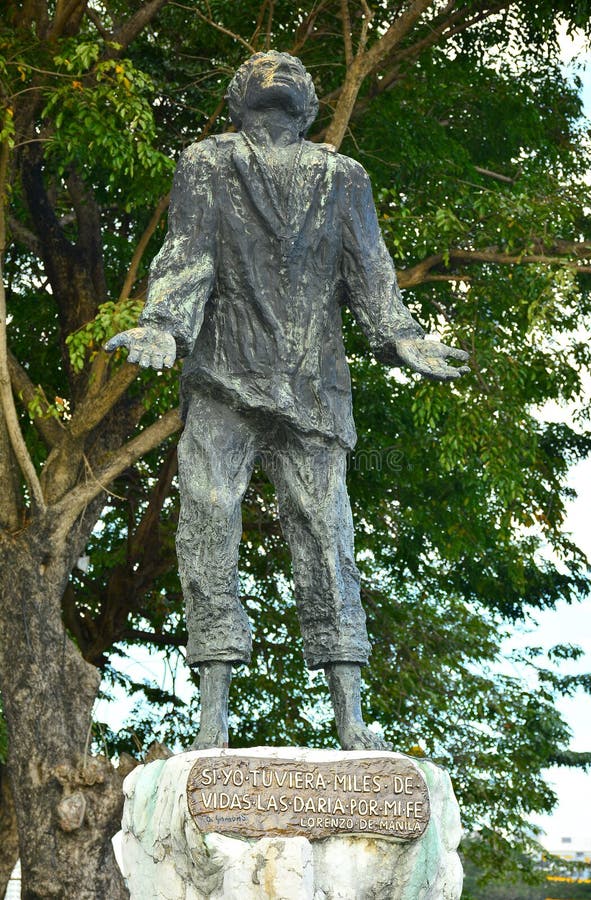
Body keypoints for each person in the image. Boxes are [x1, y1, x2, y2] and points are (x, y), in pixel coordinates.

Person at [106, 51, 469, 751]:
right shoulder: (208, 160)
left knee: (327, 536)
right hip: (224, 377)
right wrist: (162, 324)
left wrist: (401, 338)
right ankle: (212, 714)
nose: (275, 70)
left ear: (306, 102)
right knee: (209, 520)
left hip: (312, 383)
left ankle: (350, 716)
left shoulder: (342, 177)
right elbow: (187, 253)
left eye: (290, 67)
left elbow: (371, 273)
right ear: (238, 96)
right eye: (259, 67)